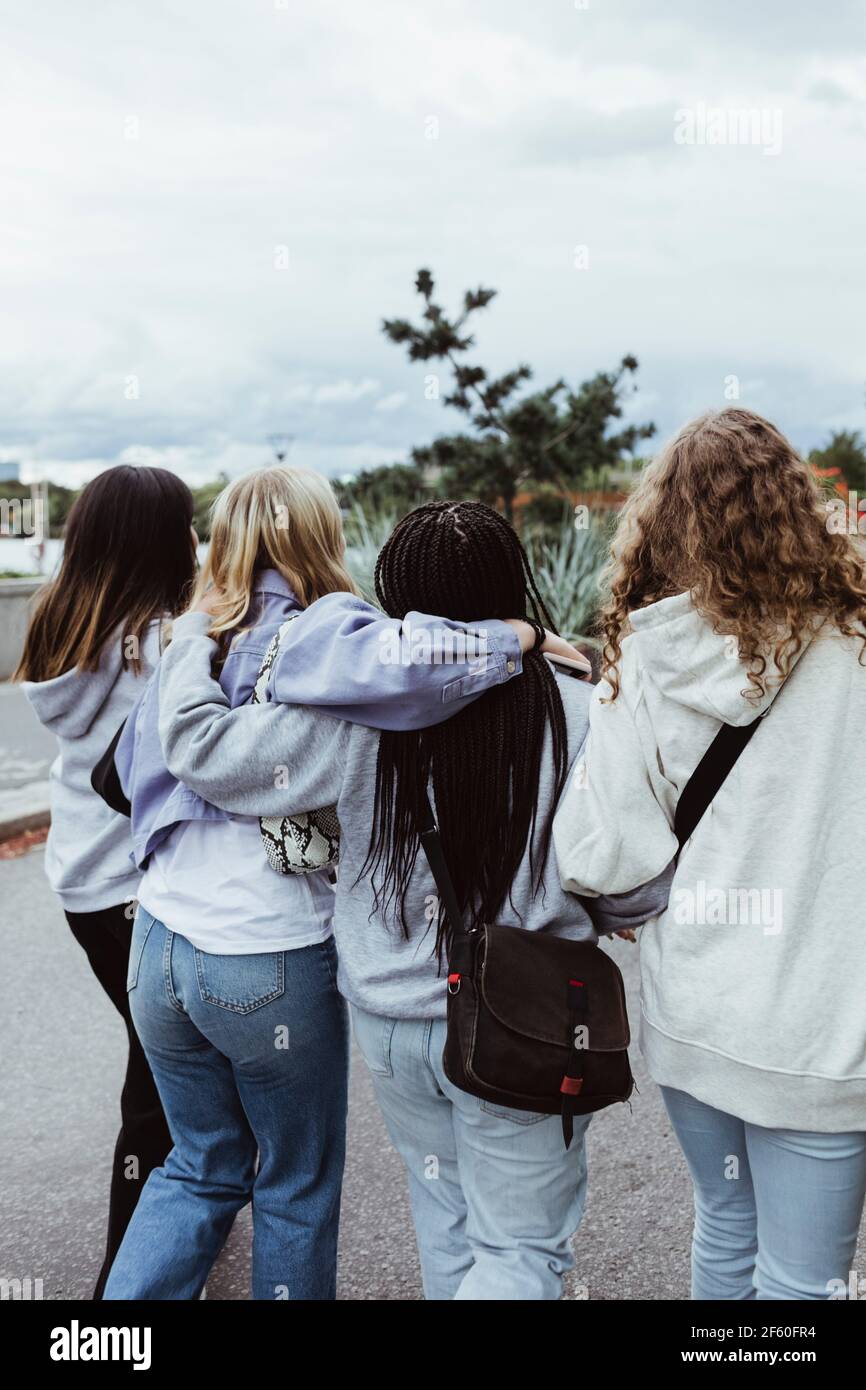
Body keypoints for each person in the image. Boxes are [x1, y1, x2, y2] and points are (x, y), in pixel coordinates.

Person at [152, 500, 668, 1300]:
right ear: (512, 586)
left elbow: (201, 751)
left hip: (393, 1020)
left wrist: (190, 639)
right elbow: (634, 885)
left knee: (450, 1236)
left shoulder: (348, 717)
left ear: (398, 599)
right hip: (523, 1019)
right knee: (521, 1254)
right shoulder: (575, 710)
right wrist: (596, 914)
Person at [553, 407, 866, 1300]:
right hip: (828, 1026)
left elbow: (602, 854)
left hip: (699, 1008)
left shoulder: (644, 659)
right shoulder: (857, 646)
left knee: (725, 1228)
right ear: (798, 506)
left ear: (665, 522)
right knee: (806, 1283)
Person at [17, 465, 196, 1298]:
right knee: (159, 1086)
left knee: (159, 1066)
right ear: (165, 543)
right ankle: (126, 1288)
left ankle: (178, 1235)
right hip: (134, 889)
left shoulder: (66, 629)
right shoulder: (161, 643)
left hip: (83, 884)